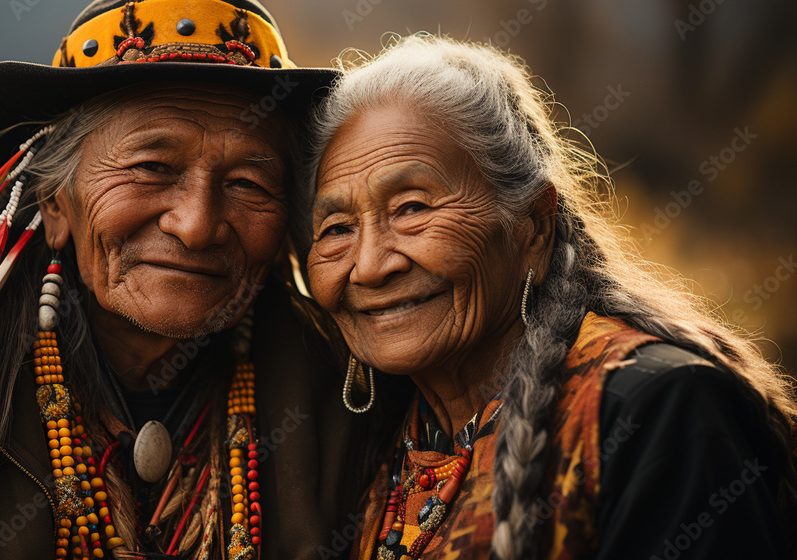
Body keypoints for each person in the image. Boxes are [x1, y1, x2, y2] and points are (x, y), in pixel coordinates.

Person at [0, 1, 375, 559]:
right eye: (152, 167)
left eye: (249, 182)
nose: (197, 226)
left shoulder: (343, 386)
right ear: (55, 203)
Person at [301, 35, 797, 559]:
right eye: (337, 227)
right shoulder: (378, 443)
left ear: (533, 226)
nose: (372, 265)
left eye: (412, 208)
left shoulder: (653, 408)